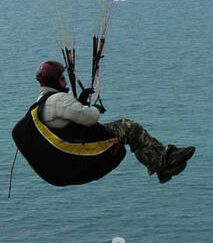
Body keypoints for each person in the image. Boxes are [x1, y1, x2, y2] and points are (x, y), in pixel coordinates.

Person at [34, 60, 195, 183]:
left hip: (74, 142)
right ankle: (163, 162)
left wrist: (79, 103)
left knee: (131, 129)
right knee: (130, 128)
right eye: (62, 79)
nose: (65, 82)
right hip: (84, 143)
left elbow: (67, 115)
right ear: (54, 82)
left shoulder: (43, 100)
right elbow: (91, 117)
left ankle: (164, 160)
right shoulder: (58, 99)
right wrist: (94, 108)